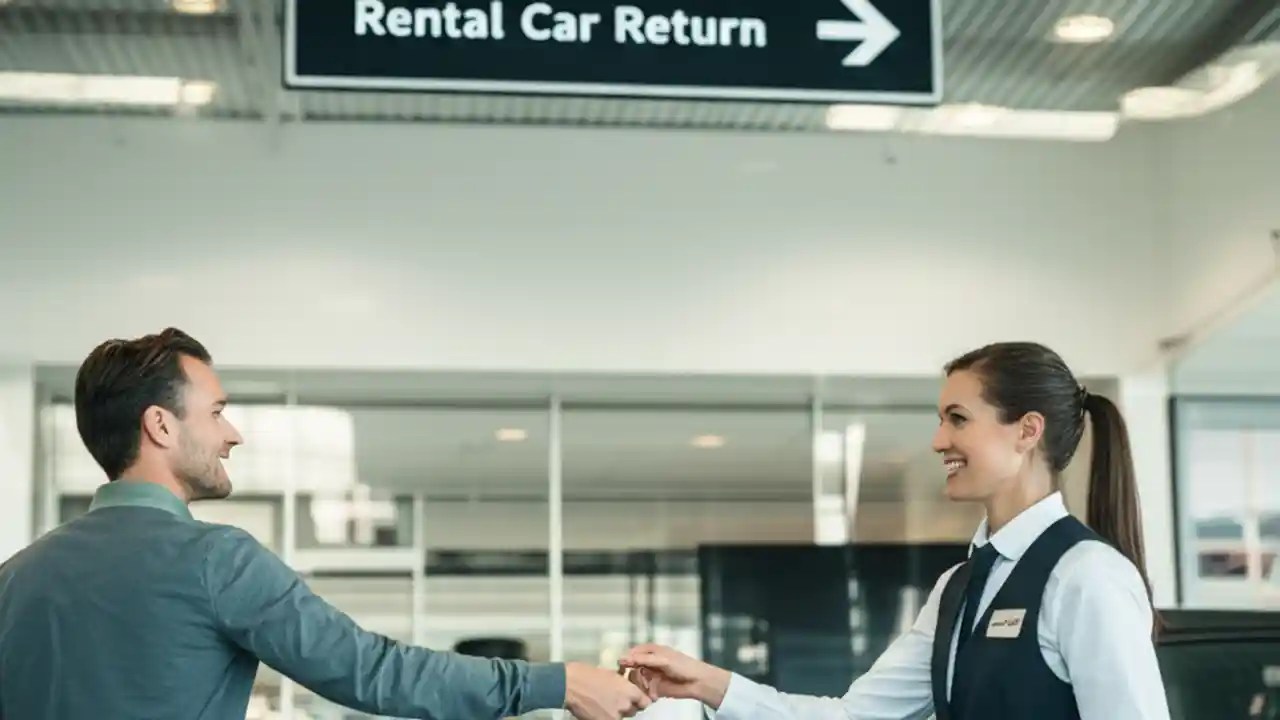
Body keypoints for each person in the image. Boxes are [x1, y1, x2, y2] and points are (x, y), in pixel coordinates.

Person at [0, 328, 649, 720]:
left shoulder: (14, 580)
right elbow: (372, 673)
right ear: (160, 425)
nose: (233, 434)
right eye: (218, 412)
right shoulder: (214, 561)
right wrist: (557, 682)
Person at [619, 342, 1172, 720]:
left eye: (958, 418)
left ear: (1027, 430)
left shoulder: (1085, 575)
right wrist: (707, 684)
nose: (937, 441)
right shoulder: (960, 586)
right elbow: (856, 717)